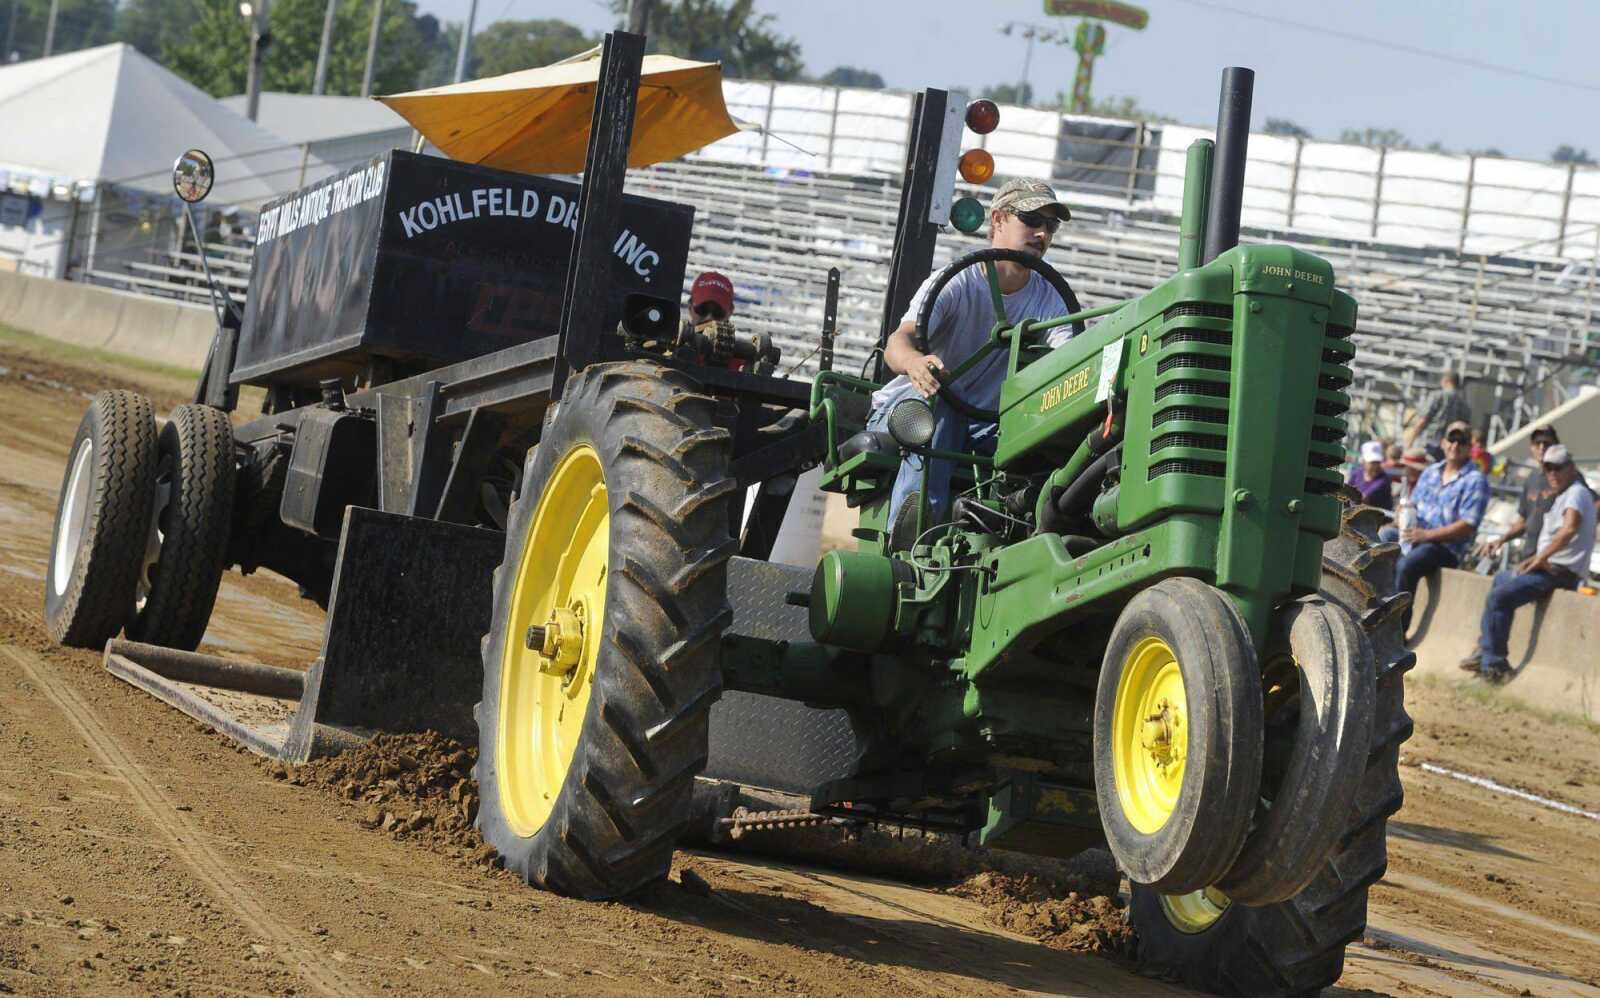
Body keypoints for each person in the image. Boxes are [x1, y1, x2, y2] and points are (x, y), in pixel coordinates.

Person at [868, 178, 1077, 533]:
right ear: (998, 221)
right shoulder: (959, 281)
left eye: (1050, 226)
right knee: (945, 399)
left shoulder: (1051, 299)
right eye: (1031, 221)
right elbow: (898, 342)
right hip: (914, 410)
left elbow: (1067, 360)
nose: (1042, 234)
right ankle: (914, 530)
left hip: (983, 425)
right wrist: (916, 363)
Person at [1461, 444, 1596, 683]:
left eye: (1558, 467)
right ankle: (1486, 649)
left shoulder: (1576, 492)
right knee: (1501, 580)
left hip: (1559, 571)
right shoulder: (1565, 492)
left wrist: (1540, 558)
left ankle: (1495, 664)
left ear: (1571, 468)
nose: (1553, 473)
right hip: (1550, 567)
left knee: (1500, 597)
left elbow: (1569, 529)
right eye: (1548, 468)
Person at [1393, 420, 1490, 612]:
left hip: (1446, 548)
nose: (1455, 446)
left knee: (1407, 565)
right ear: (1443, 443)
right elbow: (1413, 504)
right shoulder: (1430, 472)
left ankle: (1397, 627)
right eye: (1451, 439)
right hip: (1415, 537)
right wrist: (1401, 513)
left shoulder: (1476, 480)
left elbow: (1468, 524)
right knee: (1380, 542)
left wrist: (1427, 535)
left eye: (1461, 441)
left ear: (1469, 447)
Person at [1478, 425, 1559, 566]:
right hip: (1529, 557)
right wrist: (1500, 540)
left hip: (1551, 562)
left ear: (1555, 446)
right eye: (1537, 443)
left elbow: (1592, 504)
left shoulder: (1565, 476)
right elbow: (1523, 521)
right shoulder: (1532, 478)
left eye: (1546, 443)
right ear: (1531, 448)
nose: (1541, 447)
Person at [1404, 372, 1471, 460]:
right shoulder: (1464, 402)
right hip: (1450, 447)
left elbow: (1423, 420)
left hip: (1431, 443)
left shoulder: (1437, 395)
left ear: (1446, 381)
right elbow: (1465, 427)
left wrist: (1410, 442)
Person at [1347, 440, 1394, 510]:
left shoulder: (1384, 480)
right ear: (1363, 461)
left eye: (1377, 462)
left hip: (1378, 518)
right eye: (1372, 462)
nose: (1375, 466)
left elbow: (1363, 499)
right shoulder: (1356, 474)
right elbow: (1347, 492)